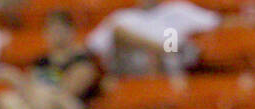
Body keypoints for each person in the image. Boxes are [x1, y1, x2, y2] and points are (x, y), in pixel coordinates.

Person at [0, 11, 101, 109]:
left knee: (44, 94)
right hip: (41, 104)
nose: (56, 34)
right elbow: (28, 85)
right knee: (6, 99)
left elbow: (70, 90)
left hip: (72, 108)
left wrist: (41, 87)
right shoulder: (41, 61)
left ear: (71, 31)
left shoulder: (83, 60)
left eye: (60, 30)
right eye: (52, 30)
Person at [85, 0, 224, 76]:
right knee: (118, 31)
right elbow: (93, 47)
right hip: (128, 70)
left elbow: (220, 22)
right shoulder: (122, 16)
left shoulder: (178, 9)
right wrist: (156, 48)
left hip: (170, 65)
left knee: (172, 36)